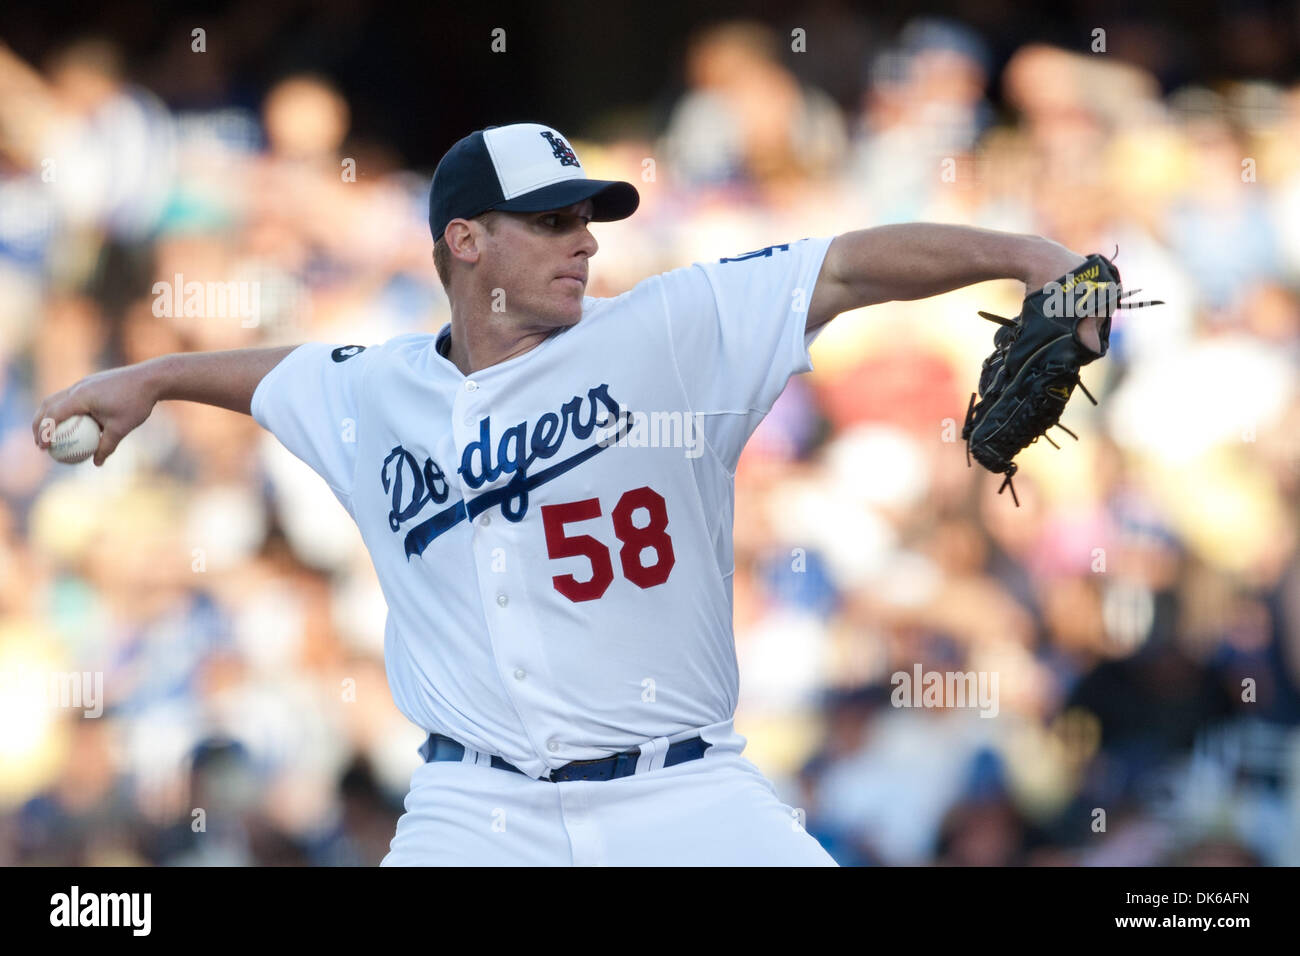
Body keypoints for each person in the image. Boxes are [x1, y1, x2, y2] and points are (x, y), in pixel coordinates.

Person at [33, 122, 1093, 865]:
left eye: (587, 215)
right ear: (465, 240)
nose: (584, 237)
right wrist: (153, 378)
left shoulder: (668, 333)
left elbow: (849, 268)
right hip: (473, 805)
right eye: (548, 220)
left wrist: (1025, 253)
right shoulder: (371, 390)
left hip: (681, 794)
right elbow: (270, 373)